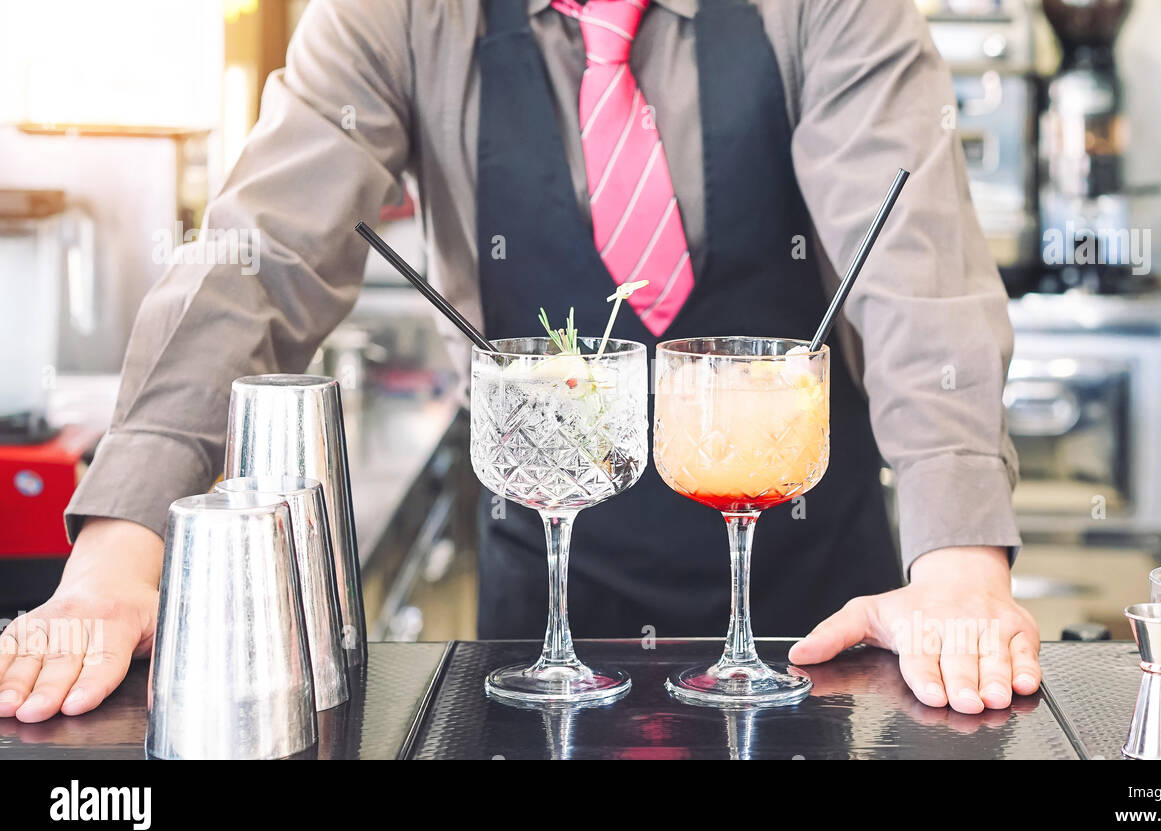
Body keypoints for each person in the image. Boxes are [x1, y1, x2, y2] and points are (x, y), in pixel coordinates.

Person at [0, 0, 1039, 723]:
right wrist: (117, 560)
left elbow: (915, 266)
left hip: (817, 616)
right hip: (544, 612)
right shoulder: (395, 13)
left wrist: (955, 577)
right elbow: (255, 261)